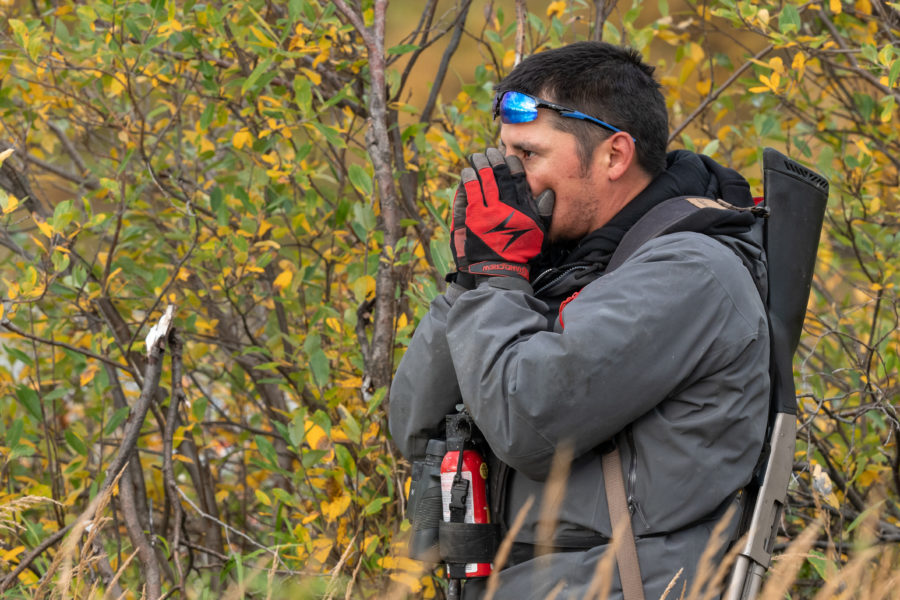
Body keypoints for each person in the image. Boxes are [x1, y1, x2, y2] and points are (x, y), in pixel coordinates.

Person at [389, 41, 769, 599]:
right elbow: (414, 427)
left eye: (528, 154)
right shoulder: (560, 266)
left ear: (614, 156)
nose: (509, 179)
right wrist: (475, 278)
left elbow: (527, 425)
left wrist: (497, 277)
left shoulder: (689, 274)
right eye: (504, 154)